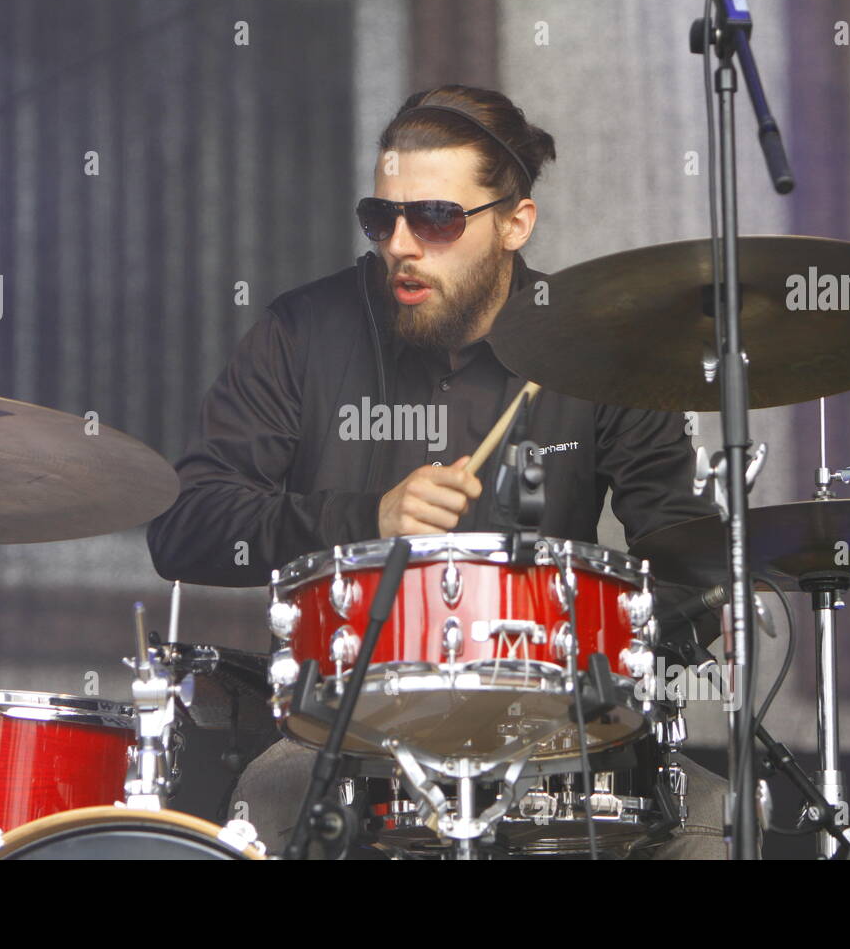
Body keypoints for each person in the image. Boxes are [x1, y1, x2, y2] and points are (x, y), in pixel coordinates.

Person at [148, 84, 731, 858]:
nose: (400, 244)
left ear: (515, 223)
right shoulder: (303, 333)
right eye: (381, 218)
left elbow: (680, 547)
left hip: (557, 727)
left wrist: (690, 610)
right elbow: (185, 525)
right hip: (354, 731)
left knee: (711, 823)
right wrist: (367, 519)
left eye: (435, 219)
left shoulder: (596, 347)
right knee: (274, 797)